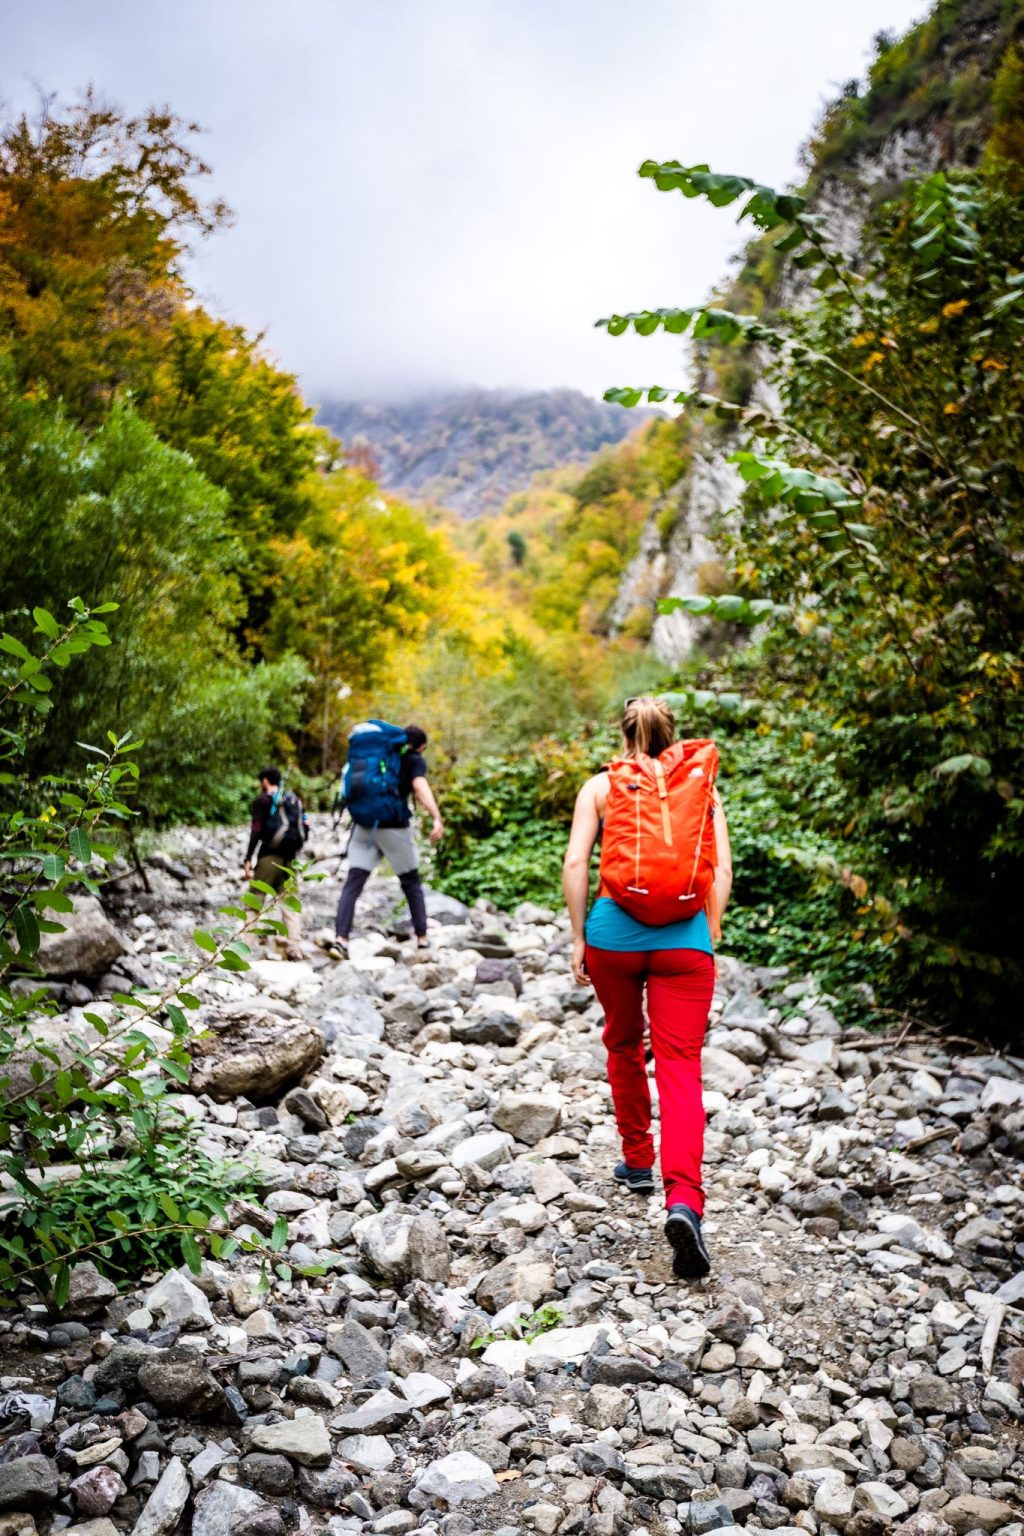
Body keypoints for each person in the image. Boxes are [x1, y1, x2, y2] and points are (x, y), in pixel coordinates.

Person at [562, 697, 732, 1279]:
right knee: (681, 1068)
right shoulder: (701, 785)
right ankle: (684, 1200)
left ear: (625, 732)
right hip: (685, 943)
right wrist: (710, 928)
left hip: (613, 936)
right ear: (672, 734)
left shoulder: (601, 785)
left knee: (623, 1042)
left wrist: (578, 938)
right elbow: (720, 868)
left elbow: (575, 864)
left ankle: (637, 1159)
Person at [329, 723, 443, 957]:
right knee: (411, 883)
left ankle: (341, 939)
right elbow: (419, 786)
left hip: (364, 824)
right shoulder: (413, 759)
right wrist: (436, 816)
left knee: (353, 883)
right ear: (422, 746)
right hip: (393, 827)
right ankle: (422, 939)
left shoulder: (383, 755)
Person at [243, 766, 308, 961]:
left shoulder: (263, 800)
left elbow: (256, 830)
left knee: (254, 900)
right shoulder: (294, 800)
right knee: (288, 901)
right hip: (290, 858)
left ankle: (247, 946)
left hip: (268, 857)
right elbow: (305, 827)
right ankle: (294, 946)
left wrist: (248, 858)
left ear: (265, 781)